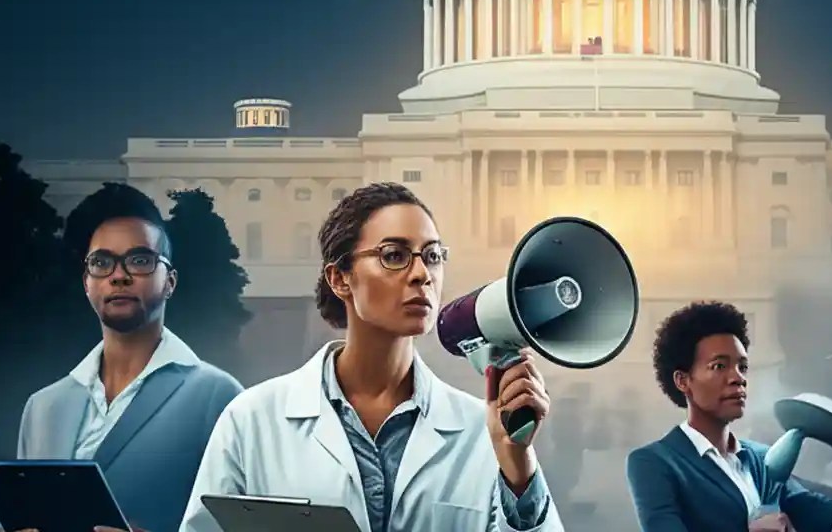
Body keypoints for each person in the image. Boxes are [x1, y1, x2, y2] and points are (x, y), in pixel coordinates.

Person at [179, 182, 564, 532]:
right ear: (340, 278)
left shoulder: (485, 431)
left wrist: (518, 468)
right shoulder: (251, 420)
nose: (422, 274)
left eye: (432, 256)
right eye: (394, 255)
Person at [0, 183, 243, 532]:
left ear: (170, 281)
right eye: (102, 262)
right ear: (87, 282)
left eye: (140, 260)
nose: (119, 275)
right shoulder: (43, 407)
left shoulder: (219, 397)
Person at [625, 301, 832, 532]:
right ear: (682, 380)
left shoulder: (764, 459)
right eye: (719, 366)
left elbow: (828, 514)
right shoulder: (655, 463)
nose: (738, 378)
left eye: (742, 367)